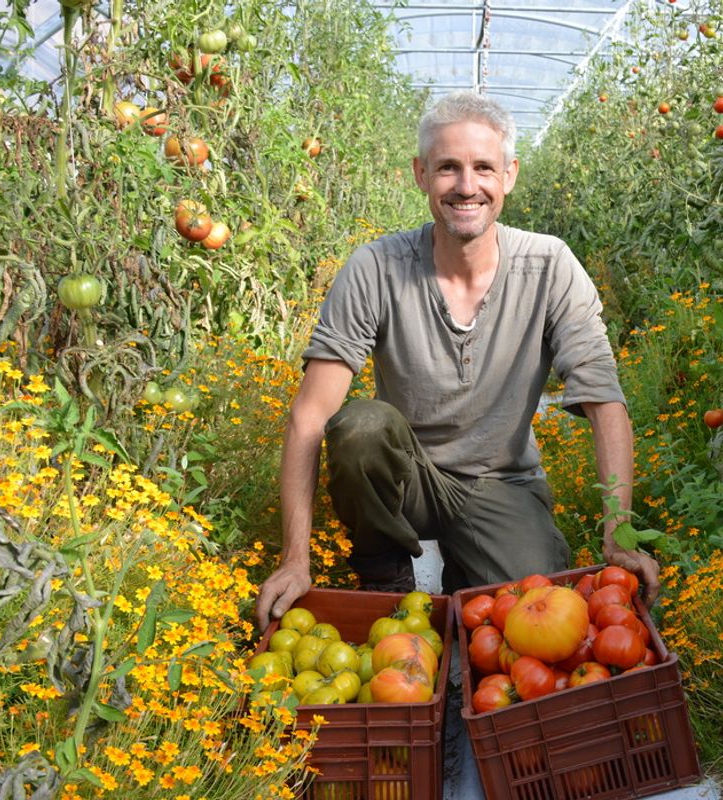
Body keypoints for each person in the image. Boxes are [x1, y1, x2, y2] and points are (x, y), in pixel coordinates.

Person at [255, 91, 659, 629]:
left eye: (483, 168)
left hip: (502, 483)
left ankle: (469, 568)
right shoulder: (376, 268)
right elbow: (310, 415)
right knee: (361, 426)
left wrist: (619, 534)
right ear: (421, 174)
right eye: (448, 168)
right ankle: (384, 572)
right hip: (411, 480)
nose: (466, 187)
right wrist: (295, 559)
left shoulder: (549, 266)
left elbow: (604, 401)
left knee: (528, 610)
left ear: (509, 175)